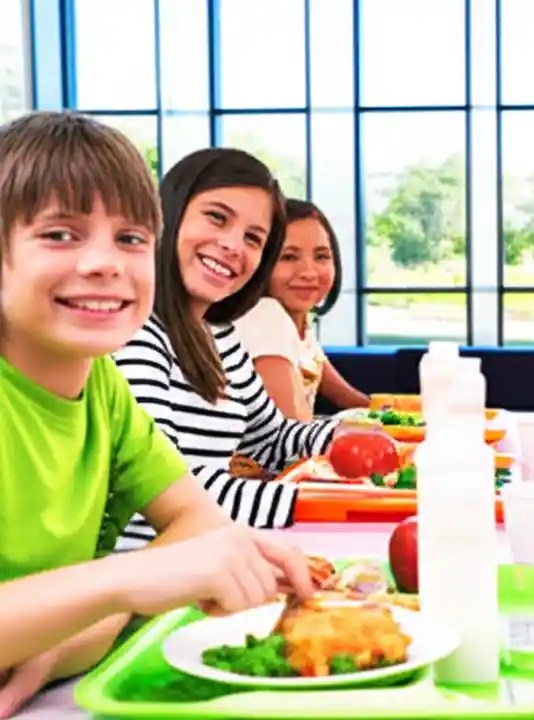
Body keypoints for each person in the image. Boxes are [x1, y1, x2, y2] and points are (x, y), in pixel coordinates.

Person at [0, 111, 312, 716]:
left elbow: (199, 522)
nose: (105, 263)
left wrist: (60, 634)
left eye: (131, 238)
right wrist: (124, 584)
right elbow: (163, 562)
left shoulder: (102, 388)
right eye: (60, 234)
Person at [112, 148, 339, 547]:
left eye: (254, 238)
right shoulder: (135, 332)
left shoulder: (218, 333)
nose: (234, 246)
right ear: (168, 214)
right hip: (148, 574)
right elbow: (170, 485)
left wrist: (356, 435)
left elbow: (272, 441)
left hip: (204, 558)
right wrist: (325, 501)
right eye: (217, 217)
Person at [235, 199, 369, 419]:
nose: (309, 272)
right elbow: (291, 430)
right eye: (289, 257)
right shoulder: (264, 315)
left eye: (322, 256)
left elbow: (343, 395)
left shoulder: (297, 320)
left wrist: (396, 415)